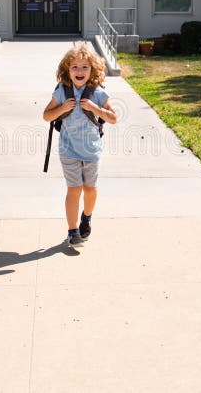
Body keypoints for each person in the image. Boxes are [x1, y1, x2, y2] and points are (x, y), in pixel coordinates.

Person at [42, 42, 117, 247]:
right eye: (74, 67)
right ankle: (73, 231)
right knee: (73, 190)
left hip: (92, 150)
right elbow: (46, 116)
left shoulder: (97, 92)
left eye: (84, 67)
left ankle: (86, 217)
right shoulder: (62, 92)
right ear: (68, 70)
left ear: (92, 69)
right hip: (68, 149)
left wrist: (95, 108)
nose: (79, 71)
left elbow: (113, 118)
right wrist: (61, 108)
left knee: (90, 189)